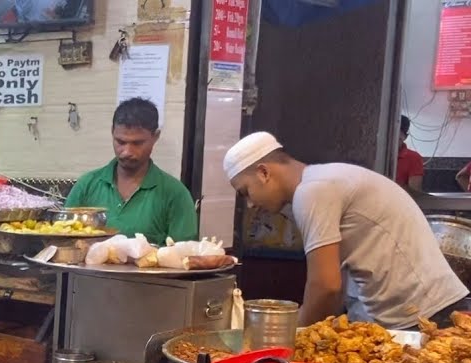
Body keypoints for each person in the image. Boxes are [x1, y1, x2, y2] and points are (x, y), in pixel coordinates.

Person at [225, 131, 469, 329]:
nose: (250, 204)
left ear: (264, 172)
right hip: (423, 311)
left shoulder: (312, 192)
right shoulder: (325, 179)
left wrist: (293, 339)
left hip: (425, 317)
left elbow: (326, 286)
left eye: (246, 191)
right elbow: (337, 282)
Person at [65, 98, 198, 245]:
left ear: (155, 137)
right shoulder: (87, 185)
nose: (127, 152)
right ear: (112, 132)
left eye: (138, 143)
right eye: (120, 142)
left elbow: (185, 255)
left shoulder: (175, 194)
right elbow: (63, 240)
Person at [395, 115, 424, 193]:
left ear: (405, 137)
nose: (394, 140)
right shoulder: (377, 154)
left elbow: (414, 193)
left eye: (399, 136)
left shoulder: (414, 158)